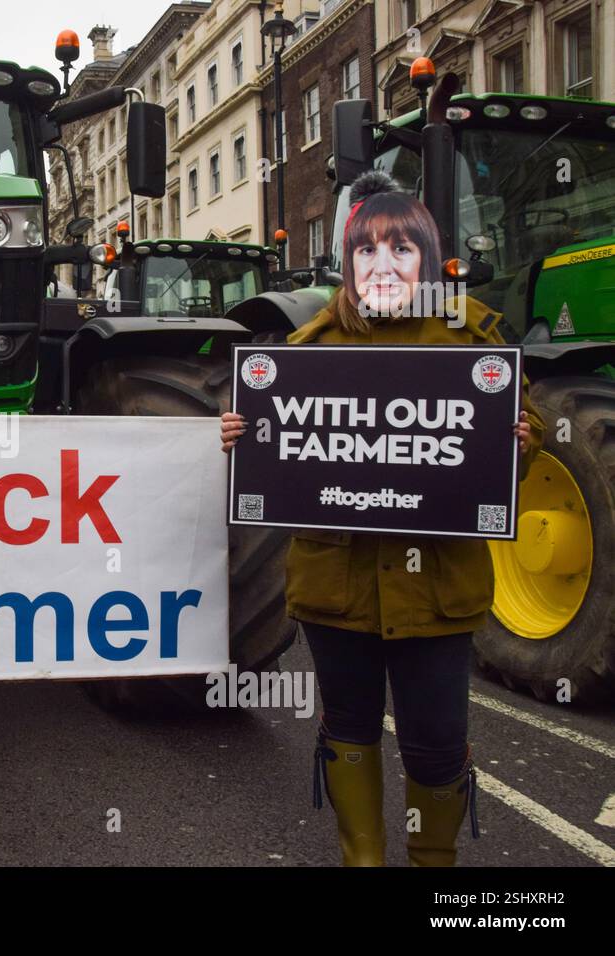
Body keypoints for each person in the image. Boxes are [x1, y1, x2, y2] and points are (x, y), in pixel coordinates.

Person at [220, 170, 545, 866]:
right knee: (349, 728)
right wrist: (243, 436)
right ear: (348, 262)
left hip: (437, 592)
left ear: (426, 255)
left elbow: (516, 441)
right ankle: (360, 859)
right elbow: (279, 449)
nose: (384, 265)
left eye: (401, 249)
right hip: (336, 587)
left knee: (434, 740)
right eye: (367, 251)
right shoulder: (305, 348)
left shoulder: (472, 338)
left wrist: (521, 438)